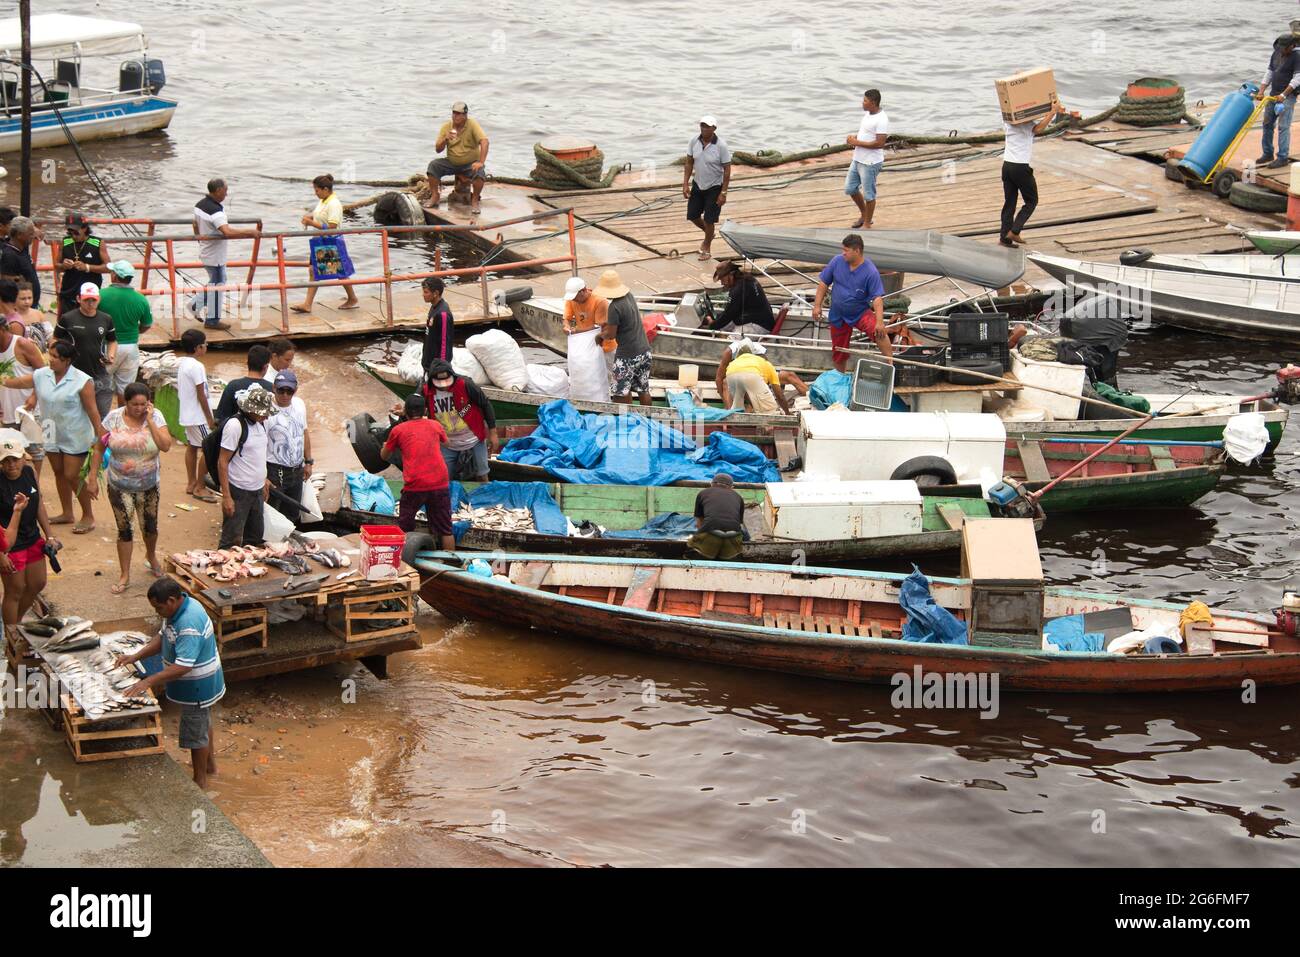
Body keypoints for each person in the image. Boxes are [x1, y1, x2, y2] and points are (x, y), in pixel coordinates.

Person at [116, 577, 224, 789]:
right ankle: (211, 768)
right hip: (197, 684)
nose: (157, 612)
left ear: (172, 600)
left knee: (195, 732)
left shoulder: (188, 622)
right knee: (202, 724)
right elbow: (163, 637)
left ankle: (199, 782)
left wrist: (148, 681)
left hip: (197, 686)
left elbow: (184, 666)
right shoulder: (178, 609)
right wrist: (134, 656)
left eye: (158, 607)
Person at [2, 340, 103, 534]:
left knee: (72, 475)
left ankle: (88, 515)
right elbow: (21, 382)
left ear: (67, 361)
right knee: (58, 472)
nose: (51, 359)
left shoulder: (82, 381)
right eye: (50, 354)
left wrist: (100, 437)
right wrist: (2, 379)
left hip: (75, 433)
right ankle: (67, 512)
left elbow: (93, 411)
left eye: (56, 357)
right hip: (50, 430)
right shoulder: (42, 375)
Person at [88, 383, 171, 594]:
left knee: (150, 527)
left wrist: (150, 420)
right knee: (125, 530)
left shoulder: (156, 417)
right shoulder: (113, 419)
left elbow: (166, 445)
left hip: (149, 484)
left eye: (144, 404)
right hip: (119, 484)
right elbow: (98, 448)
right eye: (135, 404)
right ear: (126, 402)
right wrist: (92, 476)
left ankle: (150, 556)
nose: (140, 408)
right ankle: (124, 574)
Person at [0, 429, 58, 633]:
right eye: (6, 461)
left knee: (37, 583)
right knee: (14, 590)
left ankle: (14, 623)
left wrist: (49, 535)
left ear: (23, 459)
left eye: (15, 460)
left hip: (33, 538)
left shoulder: (29, 472)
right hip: (10, 545)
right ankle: (10, 633)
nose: (11, 465)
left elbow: (39, 504)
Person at [381, 393, 454, 550]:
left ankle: (403, 560)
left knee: (404, 526)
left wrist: (385, 446)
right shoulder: (435, 425)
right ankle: (452, 564)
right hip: (440, 482)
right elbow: (448, 444)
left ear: (405, 412)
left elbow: (385, 456)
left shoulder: (398, 430)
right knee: (446, 530)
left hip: (415, 484)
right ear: (426, 411)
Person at [812, 234, 893, 373]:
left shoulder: (870, 271)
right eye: (843, 249)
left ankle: (891, 364)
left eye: (846, 250)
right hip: (838, 314)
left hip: (859, 312)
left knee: (878, 331)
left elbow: (877, 298)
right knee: (838, 350)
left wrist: (880, 322)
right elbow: (824, 283)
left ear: (857, 251)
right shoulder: (837, 261)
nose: (843, 253)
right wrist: (817, 306)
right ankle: (840, 376)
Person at [191, 177, 262, 331]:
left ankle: (195, 304)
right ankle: (212, 320)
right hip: (215, 255)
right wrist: (250, 231)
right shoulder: (215, 210)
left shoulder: (200, 205)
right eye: (225, 191)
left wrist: (200, 239)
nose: (226, 194)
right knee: (218, 284)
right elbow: (227, 231)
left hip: (206, 250)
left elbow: (195, 224)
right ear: (218, 191)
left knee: (215, 281)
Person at [420, 359, 498, 483]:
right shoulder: (426, 391)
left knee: (482, 475)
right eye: (439, 383)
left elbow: (485, 404)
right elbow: (415, 408)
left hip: (474, 438)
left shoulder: (465, 384)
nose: (444, 385)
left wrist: (493, 433)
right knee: (444, 478)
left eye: (446, 381)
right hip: (447, 443)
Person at [291, 173, 359, 314]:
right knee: (313, 271)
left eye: (317, 190)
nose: (315, 193)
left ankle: (352, 298)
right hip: (319, 241)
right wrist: (310, 217)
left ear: (325, 189)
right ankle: (307, 304)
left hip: (330, 241)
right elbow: (320, 216)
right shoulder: (324, 201)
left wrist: (311, 223)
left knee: (340, 272)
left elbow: (332, 227)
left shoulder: (334, 204)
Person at [1000, 99, 1065, 246]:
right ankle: (1015, 231)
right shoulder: (1025, 124)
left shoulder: (1007, 121)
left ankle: (1004, 239)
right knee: (1031, 201)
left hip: (1007, 165)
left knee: (1009, 203)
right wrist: (1052, 112)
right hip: (1020, 167)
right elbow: (1038, 129)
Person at [217, 386, 275, 549]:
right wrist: (227, 497)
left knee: (255, 538)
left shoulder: (260, 424)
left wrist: (264, 479)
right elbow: (222, 461)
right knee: (231, 540)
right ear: (251, 409)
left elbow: (258, 455)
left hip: (257, 491)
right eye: (263, 413)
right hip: (239, 491)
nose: (265, 416)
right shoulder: (235, 426)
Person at [96, 260, 154, 404]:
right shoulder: (141, 299)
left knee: (102, 386)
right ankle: (123, 420)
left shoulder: (100, 295)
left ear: (114, 276)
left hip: (106, 346)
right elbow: (146, 324)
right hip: (130, 348)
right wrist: (135, 331)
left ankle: (102, 420)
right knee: (125, 389)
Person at [56, 281, 117, 416]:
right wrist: (61, 358)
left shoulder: (106, 319)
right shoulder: (67, 318)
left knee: (102, 414)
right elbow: (55, 340)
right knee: (75, 413)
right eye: (86, 300)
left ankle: (99, 437)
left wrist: (111, 355)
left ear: (98, 300)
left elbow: (112, 340)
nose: (90, 304)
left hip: (99, 373)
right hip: (74, 373)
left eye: (93, 300)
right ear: (78, 299)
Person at [594, 269, 652, 407]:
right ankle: (649, 420)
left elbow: (611, 335)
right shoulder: (629, 296)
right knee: (643, 389)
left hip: (627, 355)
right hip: (644, 350)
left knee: (620, 392)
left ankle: (626, 421)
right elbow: (625, 320)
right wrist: (609, 324)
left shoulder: (614, 307)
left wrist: (600, 335)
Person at [175, 328, 218, 503]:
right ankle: (200, 487)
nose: (206, 347)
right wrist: (210, 418)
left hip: (187, 414)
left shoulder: (184, 363)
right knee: (210, 450)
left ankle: (192, 482)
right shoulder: (197, 366)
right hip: (198, 416)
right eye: (205, 344)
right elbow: (202, 394)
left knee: (192, 447)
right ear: (198, 347)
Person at [265, 369, 312, 524]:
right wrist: (263, 477)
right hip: (274, 471)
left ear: (295, 391)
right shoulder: (265, 411)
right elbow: (257, 446)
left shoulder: (300, 404)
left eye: (289, 391)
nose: (285, 395)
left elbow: (304, 433)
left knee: (292, 513)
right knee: (271, 512)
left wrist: (309, 462)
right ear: (274, 388)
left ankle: (287, 544)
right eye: (281, 390)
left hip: (297, 470)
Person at [683, 116, 732, 260]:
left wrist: (723, 192)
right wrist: (685, 184)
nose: (704, 129)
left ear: (714, 129)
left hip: (715, 186)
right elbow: (689, 162)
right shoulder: (694, 141)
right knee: (692, 215)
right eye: (702, 126)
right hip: (698, 183)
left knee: (710, 219)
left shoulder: (721, 146)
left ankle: (706, 247)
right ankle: (709, 233)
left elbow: (727, 170)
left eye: (707, 126)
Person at [427, 102, 489, 213]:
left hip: (470, 163)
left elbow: (484, 142)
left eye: (459, 114)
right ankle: (435, 196)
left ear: (465, 116)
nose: (455, 116)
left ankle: (474, 200)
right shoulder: (447, 127)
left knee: (479, 172)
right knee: (433, 166)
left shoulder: (472, 124)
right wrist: (445, 139)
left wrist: (481, 161)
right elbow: (438, 149)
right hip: (452, 162)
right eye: (454, 113)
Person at [713, 339, 805, 410]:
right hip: (737, 383)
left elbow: (767, 376)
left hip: (758, 379)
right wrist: (724, 399)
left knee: (789, 375)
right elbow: (719, 378)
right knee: (725, 381)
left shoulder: (760, 352)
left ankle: (810, 398)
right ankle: (730, 413)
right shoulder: (730, 352)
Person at [0, 281, 44, 429]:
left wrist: (34, 396)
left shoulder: (15, 328)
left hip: (26, 407)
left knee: (35, 449)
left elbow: (43, 372)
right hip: (9, 407)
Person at [562, 276, 611, 403]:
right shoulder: (572, 300)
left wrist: (576, 331)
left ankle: (611, 403)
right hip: (586, 346)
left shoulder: (600, 301)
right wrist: (566, 326)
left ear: (583, 291)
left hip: (605, 345)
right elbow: (566, 317)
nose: (574, 300)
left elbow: (599, 326)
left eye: (575, 297)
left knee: (611, 377)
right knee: (590, 376)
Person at [845, 89, 889, 228]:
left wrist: (857, 143)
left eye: (865, 101)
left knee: (869, 195)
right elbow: (866, 135)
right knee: (850, 188)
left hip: (870, 162)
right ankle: (864, 215)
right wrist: (854, 138)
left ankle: (867, 224)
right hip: (858, 159)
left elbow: (880, 143)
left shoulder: (882, 119)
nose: (862, 103)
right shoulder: (867, 115)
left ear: (873, 102)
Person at [1257, 34, 1300, 168]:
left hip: (1287, 97)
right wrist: (1261, 90)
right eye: (1280, 47)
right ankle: (1268, 153)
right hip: (1273, 95)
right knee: (1267, 124)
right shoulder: (1276, 53)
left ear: (1292, 46)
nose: (1282, 50)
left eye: (1284, 48)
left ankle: (1282, 157)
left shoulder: (1297, 56)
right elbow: (1269, 72)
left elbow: (1297, 78)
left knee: (1283, 127)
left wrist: (1284, 95)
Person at [700, 261, 776, 336]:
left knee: (732, 343)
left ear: (731, 275)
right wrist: (717, 321)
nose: (722, 283)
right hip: (761, 319)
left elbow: (728, 314)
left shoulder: (738, 289)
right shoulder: (748, 279)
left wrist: (712, 326)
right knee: (722, 326)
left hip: (759, 324)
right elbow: (730, 311)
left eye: (722, 279)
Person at [56, 213, 110, 314]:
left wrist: (87, 267)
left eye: (76, 233)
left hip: (90, 295)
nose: (73, 236)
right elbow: (57, 265)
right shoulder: (65, 241)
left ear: (84, 228)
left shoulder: (98, 243)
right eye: (70, 232)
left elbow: (108, 267)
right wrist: (63, 265)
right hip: (68, 293)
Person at [686, 473, 746, 561]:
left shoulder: (703, 493)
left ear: (711, 484)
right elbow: (738, 523)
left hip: (710, 532)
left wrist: (698, 538)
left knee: (691, 553)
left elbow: (699, 523)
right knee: (726, 562)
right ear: (732, 487)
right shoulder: (739, 497)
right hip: (733, 535)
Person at [721, 341, 792, 415]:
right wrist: (787, 412)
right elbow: (779, 395)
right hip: (752, 377)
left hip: (730, 374)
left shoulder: (734, 362)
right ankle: (766, 423)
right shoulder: (765, 364)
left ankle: (734, 415)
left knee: (737, 407)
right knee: (770, 409)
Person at [214, 343, 273, 420]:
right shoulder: (271, 388)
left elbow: (221, 417)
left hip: (236, 430)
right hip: (261, 431)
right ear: (266, 366)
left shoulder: (233, 385)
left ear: (247, 362)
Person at [0, 217, 41, 308]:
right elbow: (6, 280)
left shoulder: (23, 247)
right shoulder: (9, 255)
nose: (33, 236)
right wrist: (18, 279)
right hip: (21, 306)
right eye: (30, 234)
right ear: (19, 235)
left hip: (32, 302)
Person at [421, 277, 454, 372]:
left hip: (437, 367)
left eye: (426, 292)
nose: (423, 295)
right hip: (429, 362)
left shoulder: (443, 314)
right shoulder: (434, 307)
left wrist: (442, 368)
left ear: (435, 293)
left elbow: (445, 343)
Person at [13, 280, 49, 350]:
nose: (27, 301)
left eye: (29, 298)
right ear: (14, 298)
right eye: (23, 299)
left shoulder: (38, 314)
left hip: (43, 353)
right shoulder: (11, 318)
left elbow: (49, 333)